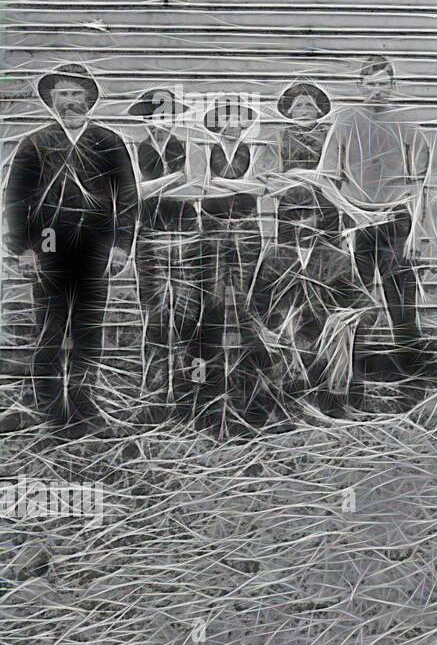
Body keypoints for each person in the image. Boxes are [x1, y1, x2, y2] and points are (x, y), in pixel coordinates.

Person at [4, 64, 137, 432]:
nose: (70, 101)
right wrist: (23, 248)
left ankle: (83, 408)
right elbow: (17, 199)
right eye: (63, 94)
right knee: (49, 328)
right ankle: (48, 410)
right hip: (49, 244)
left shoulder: (108, 141)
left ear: (89, 99)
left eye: (77, 94)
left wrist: (121, 245)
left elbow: (126, 197)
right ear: (51, 100)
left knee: (87, 329)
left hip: (95, 246)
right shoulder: (35, 143)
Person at [317, 55, 429, 373]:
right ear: (359, 86)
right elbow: (326, 180)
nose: (377, 91)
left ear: (393, 85)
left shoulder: (407, 123)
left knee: (402, 302)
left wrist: (417, 229)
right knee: (357, 300)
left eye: (383, 84)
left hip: (395, 222)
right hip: (357, 222)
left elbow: (420, 184)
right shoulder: (345, 120)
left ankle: (411, 376)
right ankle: (350, 374)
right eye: (370, 84)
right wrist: (353, 212)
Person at [251, 184, 367, 417]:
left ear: (320, 218)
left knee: (341, 335)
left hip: (324, 335)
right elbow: (258, 304)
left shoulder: (337, 260)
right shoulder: (275, 258)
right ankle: (285, 404)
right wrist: (267, 330)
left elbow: (357, 303)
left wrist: (339, 322)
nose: (301, 222)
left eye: (308, 214)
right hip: (286, 337)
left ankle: (333, 404)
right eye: (294, 216)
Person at [193, 98, 272, 435]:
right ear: (214, 122)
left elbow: (261, 186)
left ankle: (250, 396)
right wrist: (241, 186)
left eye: (237, 116)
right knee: (210, 308)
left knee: (246, 309)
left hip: (247, 231)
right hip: (210, 231)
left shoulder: (256, 150)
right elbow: (200, 187)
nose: (231, 121)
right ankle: (208, 397)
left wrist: (223, 185)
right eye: (224, 116)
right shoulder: (203, 150)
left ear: (245, 121)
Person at [127, 87, 203, 419]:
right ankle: (155, 394)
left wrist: (153, 187)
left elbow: (197, 188)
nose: (162, 119)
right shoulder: (134, 149)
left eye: (169, 113)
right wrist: (171, 179)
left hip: (186, 236)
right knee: (155, 317)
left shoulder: (190, 147)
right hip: (149, 236)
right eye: (156, 113)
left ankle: (189, 394)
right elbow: (130, 193)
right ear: (145, 118)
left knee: (188, 315)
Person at [276, 81, 332, 172]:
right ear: (291, 111)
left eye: (309, 105)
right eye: (298, 106)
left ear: (318, 111)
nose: (304, 112)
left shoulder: (328, 135)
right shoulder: (281, 135)